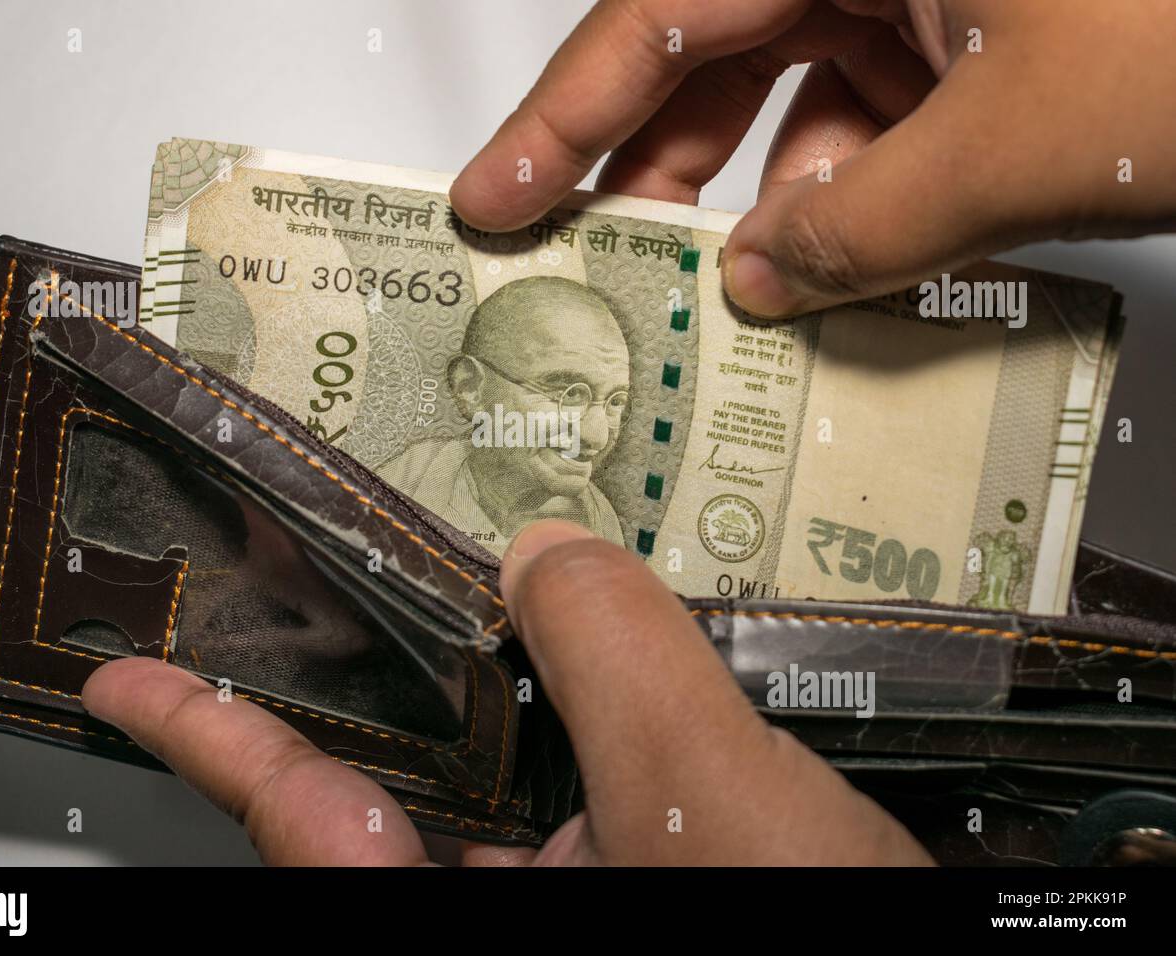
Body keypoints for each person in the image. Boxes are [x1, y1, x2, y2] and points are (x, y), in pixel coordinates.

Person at [84, 0, 1176, 865]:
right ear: (469, 383)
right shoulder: (360, 506)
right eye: (562, 386)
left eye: (610, 398)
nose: (595, 426)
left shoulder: (596, 517)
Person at [377, 275, 629, 553]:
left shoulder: (601, 525)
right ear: (470, 388)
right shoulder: (392, 493)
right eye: (566, 394)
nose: (597, 436)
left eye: (615, 402)